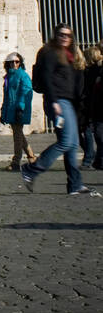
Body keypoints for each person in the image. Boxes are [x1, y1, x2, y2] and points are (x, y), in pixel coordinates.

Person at [21, 25, 99, 197]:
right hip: (58, 102)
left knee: (71, 146)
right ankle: (31, 169)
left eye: (68, 35)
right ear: (55, 36)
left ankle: (75, 185)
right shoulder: (50, 52)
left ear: (72, 37)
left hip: (68, 103)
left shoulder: (70, 55)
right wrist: (54, 101)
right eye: (61, 34)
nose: (64, 37)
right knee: (67, 142)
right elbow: (48, 78)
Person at [0, 54, 36, 171]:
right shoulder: (7, 77)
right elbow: (6, 97)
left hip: (19, 109)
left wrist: (20, 108)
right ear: (7, 63)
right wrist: (3, 112)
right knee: (18, 134)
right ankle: (32, 157)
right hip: (11, 109)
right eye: (11, 62)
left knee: (17, 136)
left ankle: (16, 161)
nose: (14, 64)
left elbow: (25, 92)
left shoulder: (23, 76)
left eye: (17, 62)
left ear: (20, 63)